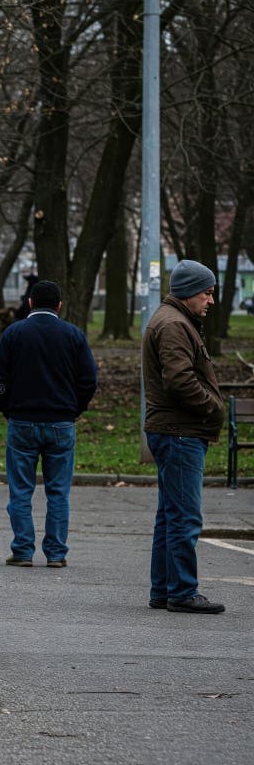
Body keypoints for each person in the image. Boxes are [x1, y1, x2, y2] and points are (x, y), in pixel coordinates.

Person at [0, 280, 97, 568]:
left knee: (21, 491)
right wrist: (76, 408)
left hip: (22, 421)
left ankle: (23, 550)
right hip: (61, 422)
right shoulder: (74, 335)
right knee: (59, 492)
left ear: (31, 303)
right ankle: (56, 553)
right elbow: (89, 380)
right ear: (59, 305)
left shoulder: (13, 333)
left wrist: (6, 408)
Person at [142, 259, 226, 613]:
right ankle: (182, 592)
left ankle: (164, 590)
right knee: (185, 517)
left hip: (173, 431)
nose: (210, 301)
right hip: (180, 432)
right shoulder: (175, 325)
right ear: (190, 292)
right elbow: (179, 380)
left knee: (170, 515)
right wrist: (212, 407)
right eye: (206, 293)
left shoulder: (173, 319)